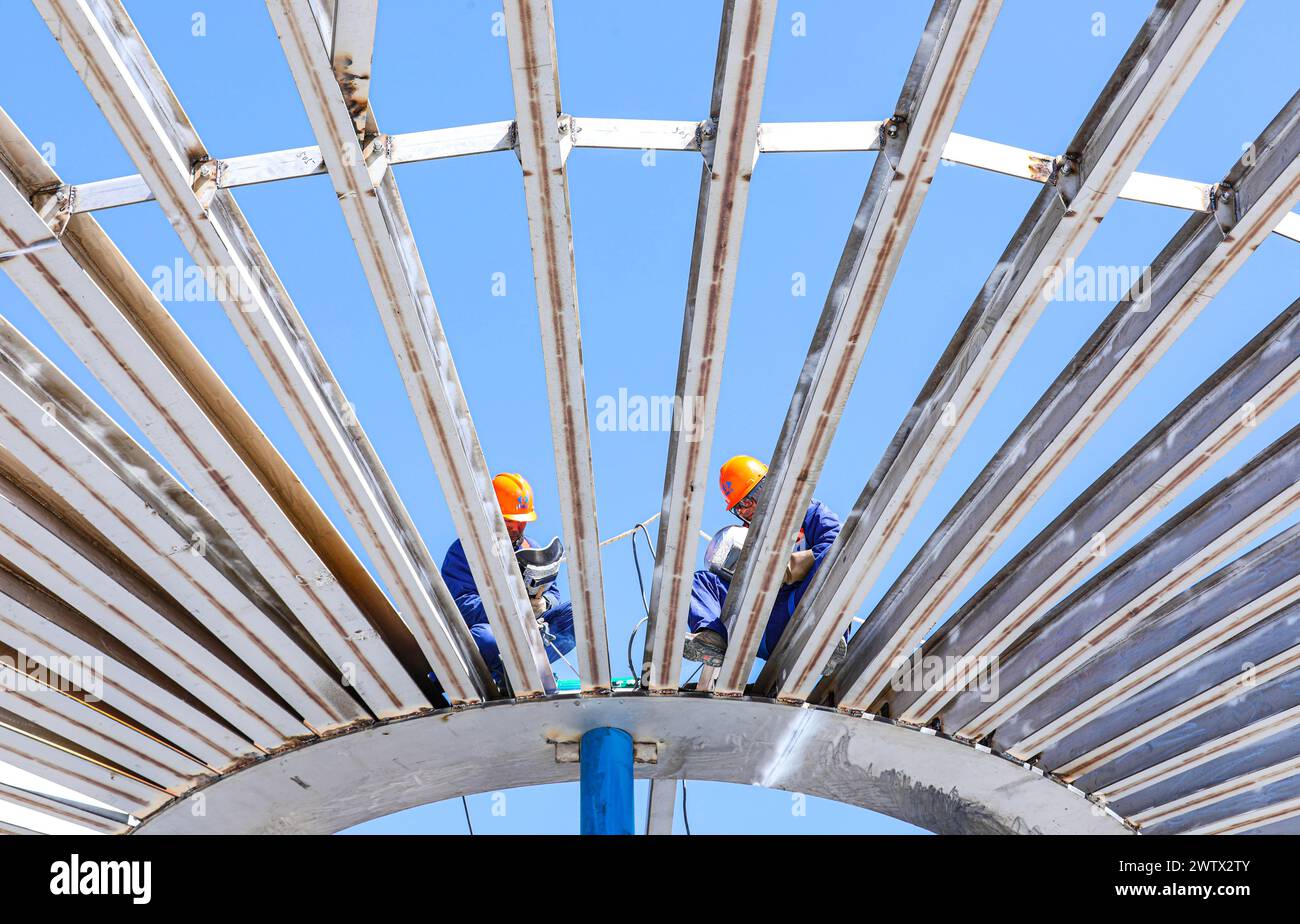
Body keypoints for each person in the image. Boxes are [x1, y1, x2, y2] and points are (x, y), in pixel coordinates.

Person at [683, 455, 847, 672]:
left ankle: (826, 642)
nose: (744, 510)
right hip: (765, 626)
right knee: (700, 582)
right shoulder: (745, 536)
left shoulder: (811, 513)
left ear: (766, 487)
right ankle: (712, 639)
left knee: (835, 556)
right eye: (738, 507)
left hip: (805, 612)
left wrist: (789, 568)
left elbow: (838, 546)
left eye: (748, 501)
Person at [441, 472, 575, 684]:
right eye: (510, 521)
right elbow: (462, 605)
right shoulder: (465, 551)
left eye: (522, 522)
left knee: (577, 616)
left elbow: (553, 592)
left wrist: (543, 603)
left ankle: (531, 670)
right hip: (493, 634)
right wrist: (509, 607)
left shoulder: (531, 547)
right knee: (486, 639)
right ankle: (502, 678)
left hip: (532, 634)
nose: (517, 528)